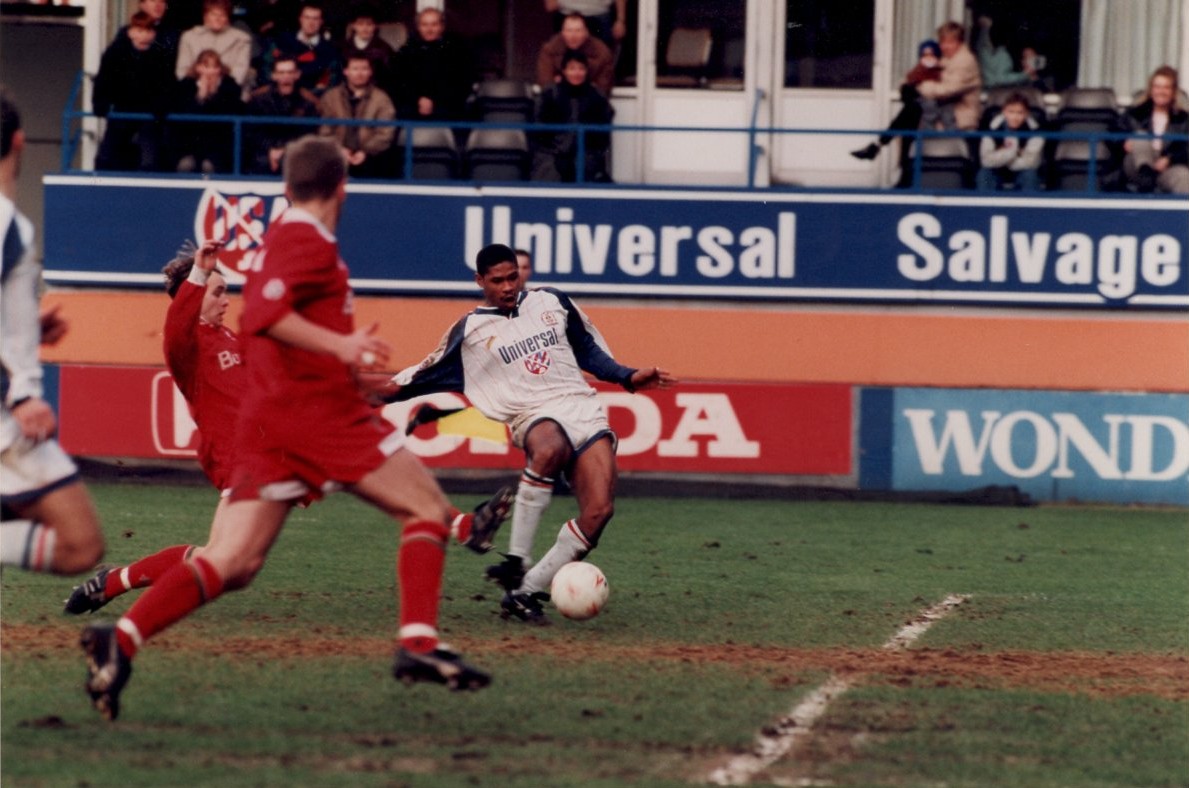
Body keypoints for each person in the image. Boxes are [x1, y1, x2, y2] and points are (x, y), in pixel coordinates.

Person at [79, 137, 511, 721]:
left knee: (233, 562)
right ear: (342, 187)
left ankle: (121, 639)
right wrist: (343, 344)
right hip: (316, 417)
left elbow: (268, 335)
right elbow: (266, 316)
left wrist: (354, 373)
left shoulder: (290, 239)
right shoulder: (306, 239)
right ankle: (417, 643)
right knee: (427, 512)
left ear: (286, 187)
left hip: (275, 426)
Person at [65, 238, 512, 617]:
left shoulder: (232, 339)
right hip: (241, 460)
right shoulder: (186, 346)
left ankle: (465, 528)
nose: (226, 299)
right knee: (218, 561)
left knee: (374, 465)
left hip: (281, 446)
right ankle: (116, 588)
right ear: (195, 295)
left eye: (225, 291)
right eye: (218, 292)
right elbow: (176, 326)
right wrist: (200, 273)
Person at [376, 243, 676, 625]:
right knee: (548, 446)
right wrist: (362, 397)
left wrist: (628, 377)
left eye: (512, 277)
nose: (507, 287)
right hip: (531, 414)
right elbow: (415, 379)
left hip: (581, 408)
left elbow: (588, 352)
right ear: (479, 281)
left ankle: (524, 591)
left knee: (599, 512)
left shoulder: (552, 302)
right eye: (497, 280)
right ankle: (517, 560)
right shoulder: (469, 332)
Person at [1, 91, 106, 577]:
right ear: (20, 142)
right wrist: (20, 394)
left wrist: (27, 332)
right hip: (9, 420)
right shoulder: (6, 222)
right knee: (79, 545)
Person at [93, 11, 176, 172]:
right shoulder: (114, 53)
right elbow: (103, 81)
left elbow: (168, 86)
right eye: (139, 31)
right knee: (105, 158)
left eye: (148, 31)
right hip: (121, 112)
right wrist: (100, 104)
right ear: (130, 32)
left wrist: (161, 107)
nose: (143, 36)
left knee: (150, 159)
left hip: (150, 116)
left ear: (153, 34)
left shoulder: (161, 56)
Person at [850, 39, 945, 162]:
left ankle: (877, 146)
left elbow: (935, 94)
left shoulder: (940, 73)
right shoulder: (916, 72)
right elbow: (905, 93)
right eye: (925, 55)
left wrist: (917, 91)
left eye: (931, 55)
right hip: (915, 114)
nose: (928, 58)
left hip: (929, 114)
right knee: (908, 119)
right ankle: (883, 152)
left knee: (907, 116)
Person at [532, 50, 614, 183]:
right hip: (551, 154)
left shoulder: (596, 96)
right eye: (572, 68)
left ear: (586, 71)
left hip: (587, 154)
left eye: (581, 68)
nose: (577, 73)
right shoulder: (549, 94)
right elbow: (538, 128)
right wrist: (557, 149)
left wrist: (588, 149)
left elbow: (603, 131)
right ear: (564, 70)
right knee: (547, 171)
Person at [318, 53, 396, 179]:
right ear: (346, 71)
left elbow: (385, 132)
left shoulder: (382, 99)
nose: (360, 73)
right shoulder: (331, 97)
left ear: (370, 72)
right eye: (355, 69)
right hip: (336, 155)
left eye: (364, 69)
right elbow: (324, 130)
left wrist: (366, 152)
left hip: (371, 157)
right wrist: (340, 150)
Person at [244, 53, 320, 175]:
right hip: (264, 152)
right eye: (281, 72)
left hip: (296, 153)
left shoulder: (308, 102)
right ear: (274, 75)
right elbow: (253, 131)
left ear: (297, 74)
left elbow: (308, 133)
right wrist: (271, 149)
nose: (286, 77)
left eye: (290, 72)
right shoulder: (259, 100)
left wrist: (285, 149)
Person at [171, 49, 245, 173]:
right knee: (185, 165)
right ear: (198, 68)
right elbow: (184, 118)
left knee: (208, 166)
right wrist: (200, 97)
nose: (210, 71)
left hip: (219, 145)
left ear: (220, 69)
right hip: (190, 145)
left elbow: (228, 116)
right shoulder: (185, 86)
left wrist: (214, 95)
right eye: (206, 66)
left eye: (215, 67)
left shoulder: (231, 87)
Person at [394, 8, 473, 123]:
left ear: (442, 26)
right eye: (424, 25)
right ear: (418, 27)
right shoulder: (405, 52)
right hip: (412, 109)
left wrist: (434, 101)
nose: (429, 29)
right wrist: (418, 100)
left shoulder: (457, 52)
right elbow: (399, 83)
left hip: (447, 110)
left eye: (434, 24)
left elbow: (462, 83)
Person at [1121, 65, 1189, 195]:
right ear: (1151, 89)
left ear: (1173, 91)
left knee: (1185, 177)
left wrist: (1170, 159)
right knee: (1140, 136)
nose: (1161, 91)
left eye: (1166, 87)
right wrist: (1124, 142)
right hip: (1136, 164)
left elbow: (1186, 148)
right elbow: (1112, 134)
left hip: (1165, 167)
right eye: (1157, 87)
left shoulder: (1183, 119)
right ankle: (1147, 178)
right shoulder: (1135, 113)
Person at [261, 2, 341, 97]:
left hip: (312, 99)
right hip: (277, 93)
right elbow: (266, 67)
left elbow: (332, 80)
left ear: (321, 22)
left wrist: (309, 94)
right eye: (307, 17)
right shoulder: (281, 40)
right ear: (300, 19)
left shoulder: (329, 49)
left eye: (315, 19)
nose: (311, 23)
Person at [176, 0, 253, 88]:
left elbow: (239, 75)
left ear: (227, 17)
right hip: (194, 88)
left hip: (228, 90)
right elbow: (181, 72)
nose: (217, 18)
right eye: (213, 14)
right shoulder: (189, 37)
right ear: (205, 16)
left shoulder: (242, 39)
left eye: (222, 15)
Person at [976, 91, 1044, 192]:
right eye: (1011, 112)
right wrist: (1015, 152)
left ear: (1026, 114)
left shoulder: (1036, 131)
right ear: (1004, 112)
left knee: (1030, 176)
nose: (1015, 117)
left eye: (1020, 113)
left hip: (1022, 170)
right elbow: (986, 161)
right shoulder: (991, 129)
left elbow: (1031, 163)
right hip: (997, 170)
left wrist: (1001, 153)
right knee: (984, 174)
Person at [537, 13, 615, 98]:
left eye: (578, 30)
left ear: (586, 32)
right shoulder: (550, 49)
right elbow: (546, 83)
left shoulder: (601, 52)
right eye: (569, 30)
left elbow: (603, 88)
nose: (573, 36)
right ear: (562, 32)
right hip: (558, 101)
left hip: (591, 102)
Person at [341, 3, 398, 100]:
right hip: (347, 95)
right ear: (354, 25)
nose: (365, 28)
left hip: (375, 97)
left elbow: (390, 80)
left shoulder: (384, 49)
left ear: (375, 26)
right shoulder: (343, 47)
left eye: (369, 24)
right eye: (360, 24)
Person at [544, 0, 626, 52]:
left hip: (599, 14)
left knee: (601, 56)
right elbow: (550, 5)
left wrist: (620, 20)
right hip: (567, 13)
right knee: (562, 57)